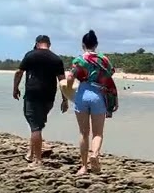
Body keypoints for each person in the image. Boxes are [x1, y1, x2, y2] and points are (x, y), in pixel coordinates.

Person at [62, 30, 118, 175]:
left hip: (82, 94)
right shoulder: (104, 59)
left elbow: (70, 78)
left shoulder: (79, 60)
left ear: (83, 45)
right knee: (98, 133)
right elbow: (110, 73)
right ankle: (95, 154)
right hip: (98, 95)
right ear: (96, 44)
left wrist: (68, 90)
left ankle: (84, 167)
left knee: (83, 133)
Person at [12, 34, 68, 164]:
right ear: (49, 44)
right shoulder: (56, 59)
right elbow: (62, 81)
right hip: (49, 96)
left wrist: (15, 88)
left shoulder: (30, 55)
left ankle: (37, 159)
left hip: (33, 94)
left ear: (37, 43)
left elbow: (19, 73)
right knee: (38, 124)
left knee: (35, 127)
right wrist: (65, 99)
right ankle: (31, 154)